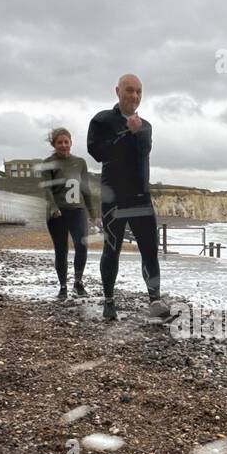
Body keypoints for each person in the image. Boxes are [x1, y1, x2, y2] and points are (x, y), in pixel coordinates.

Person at [87, 73, 170, 321]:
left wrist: (135, 132)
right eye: (129, 90)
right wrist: (126, 131)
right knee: (112, 249)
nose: (134, 96)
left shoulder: (146, 126)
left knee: (149, 250)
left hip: (141, 197)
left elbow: (143, 151)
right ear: (117, 91)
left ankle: (155, 301)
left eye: (139, 92)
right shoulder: (101, 120)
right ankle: (109, 301)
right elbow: (98, 152)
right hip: (114, 198)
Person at [38, 127, 98, 300]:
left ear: (71, 143)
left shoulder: (80, 162)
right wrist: (53, 208)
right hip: (57, 214)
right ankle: (63, 286)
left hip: (77, 211)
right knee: (61, 250)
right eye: (59, 143)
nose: (63, 146)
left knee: (82, 245)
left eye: (66, 142)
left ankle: (78, 282)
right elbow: (47, 190)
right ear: (54, 144)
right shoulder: (48, 163)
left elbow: (85, 189)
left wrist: (92, 212)